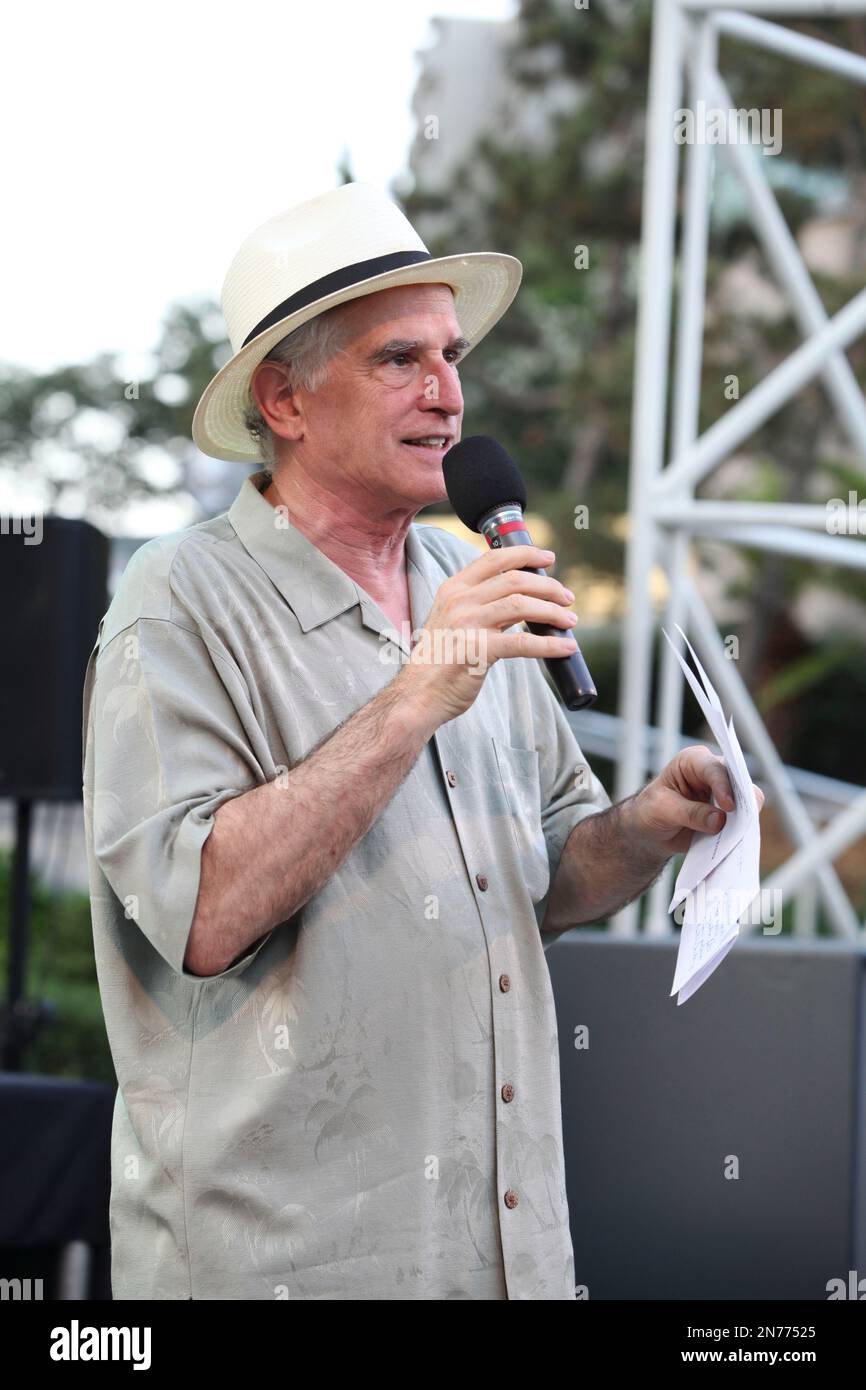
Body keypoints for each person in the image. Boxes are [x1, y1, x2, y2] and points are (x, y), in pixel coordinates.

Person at [82, 182, 764, 1300]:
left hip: (504, 1259)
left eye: (451, 357)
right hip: (288, 1267)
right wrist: (415, 694)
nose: (449, 396)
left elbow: (541, 878)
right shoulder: (177, 600)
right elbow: (199, 914)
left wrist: (647, 824)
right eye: (401, 360)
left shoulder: (466, 577)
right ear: (283, 400)